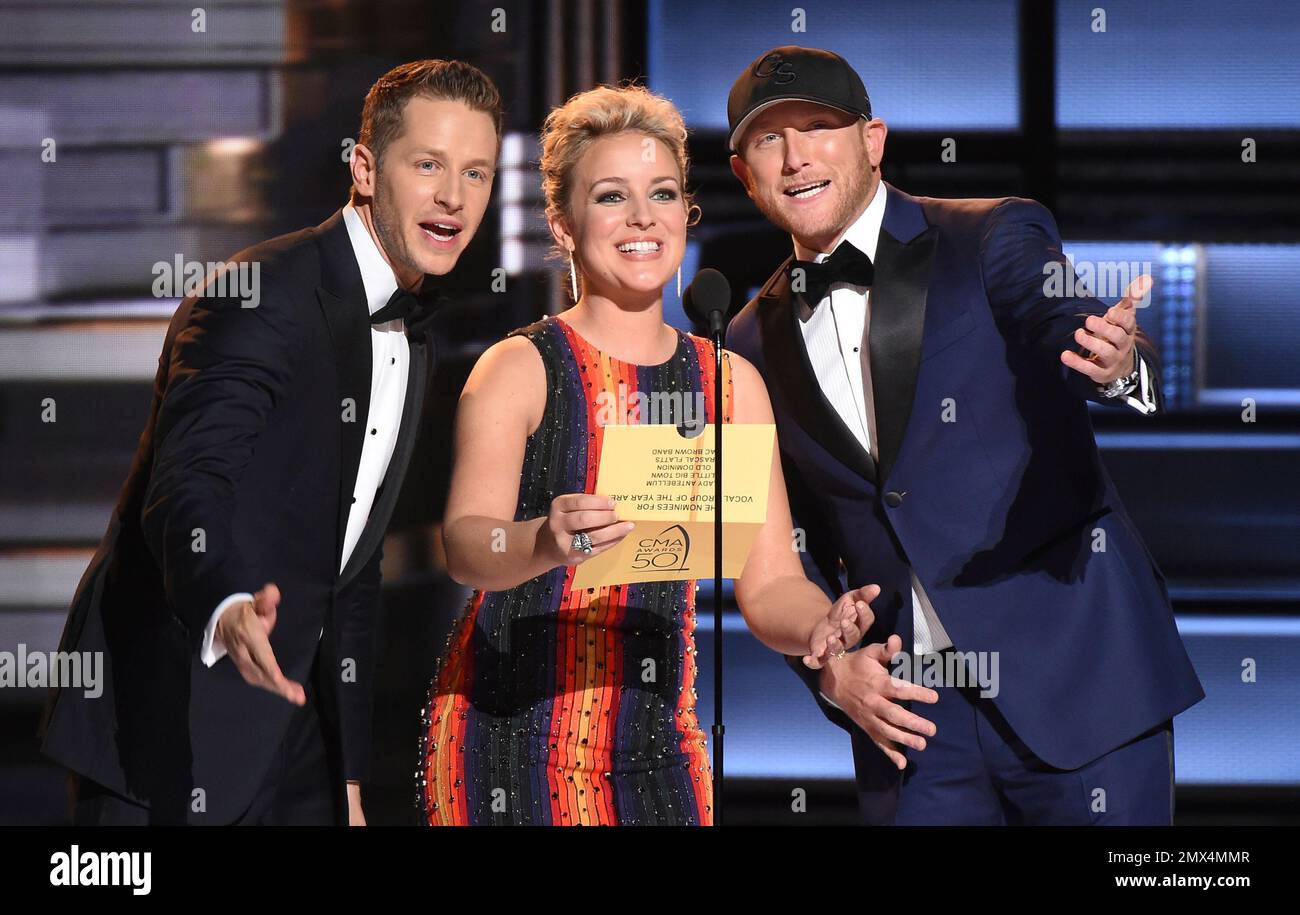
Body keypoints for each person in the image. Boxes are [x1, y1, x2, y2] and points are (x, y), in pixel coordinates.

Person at [724, 46, 1204, 825]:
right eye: (768, 140)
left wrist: (1115, 364)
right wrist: (831, 672)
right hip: (910, 724)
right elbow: (786, 551)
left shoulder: (990, 236)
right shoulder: (745, 342)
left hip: (1076, 672)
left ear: (872, 141)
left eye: (817, 127)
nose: (795, 156)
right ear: (744, 174)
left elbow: (1065, 323)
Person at [39, 59, 502, 825]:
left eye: (476, 173)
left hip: (299, 751)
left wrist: (348, 782)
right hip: (165, 730)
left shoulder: (411, 327)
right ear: (362, 168)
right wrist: (224, 602)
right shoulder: (260, 295)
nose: (454, 196)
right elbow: (187, 485)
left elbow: (350, 566)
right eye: (428, 165)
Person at [417, 83, 874, 826]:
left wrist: (820, 625)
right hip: (510, 735)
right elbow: (468, 543)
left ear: (686, 214)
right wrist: (542, 539)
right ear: (563, 225)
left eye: (662, 193)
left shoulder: (730, 381)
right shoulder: (520, 366)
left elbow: (771, 585)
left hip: (661, 743)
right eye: (610, 197)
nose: (641, 217)